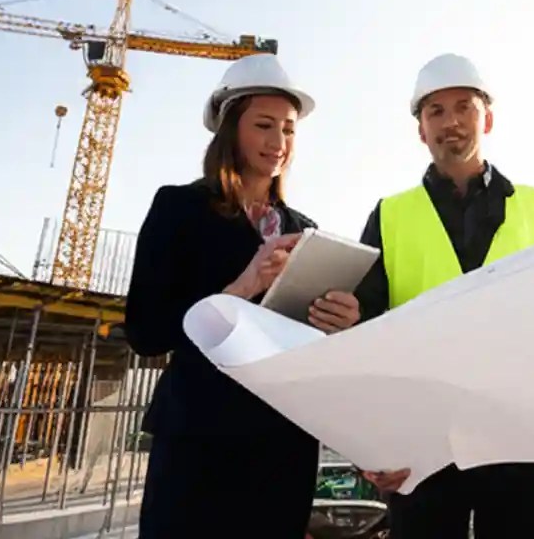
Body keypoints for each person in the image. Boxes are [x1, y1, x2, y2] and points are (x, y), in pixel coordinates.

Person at [123, 53, 363, 539]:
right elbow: (146, 331)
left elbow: (306, 346)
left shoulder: (305, 231)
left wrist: (340, 320)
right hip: (200, 441)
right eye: (264, 125)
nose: (278, 143)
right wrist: (242, 287)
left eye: (289, 130)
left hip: (283, 445)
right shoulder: (179, 208)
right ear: (231, 128)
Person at [336, 53, 534, 539]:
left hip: (515, 432)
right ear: (421, 129)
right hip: (423, 436)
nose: (450, 122)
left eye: (463, 107)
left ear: (487, 118)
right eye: (435, 112)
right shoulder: (390, 215)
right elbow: (363, 336)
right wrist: (375, 440)